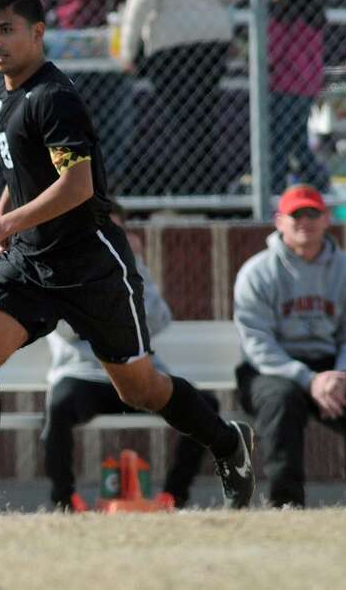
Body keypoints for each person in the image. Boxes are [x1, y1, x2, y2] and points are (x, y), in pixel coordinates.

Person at [0, 0, 254, 514]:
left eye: (7, 30)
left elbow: (77, 186)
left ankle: (227, 443)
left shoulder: (56, 98)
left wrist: (0, 224)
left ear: (38, 33)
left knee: (140, 390)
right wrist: (3, 220)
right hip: (29, 263)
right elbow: (24, 172)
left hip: (90, 264)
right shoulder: (2, 96)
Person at [43, 200, 218, 511]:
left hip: (139, 373)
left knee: (205, 404)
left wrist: (133, 263)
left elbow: (160, 319)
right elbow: (67, 327)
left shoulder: (131, 265)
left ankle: (173, 498)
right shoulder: (62, 265)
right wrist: (118, 317)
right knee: (58, 408)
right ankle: (64, 501)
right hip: (85, 376)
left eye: (113, 229)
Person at [233, 184, 346, 508]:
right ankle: (286, 506)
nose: (305, 221)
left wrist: (341, 374)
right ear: (279, 221)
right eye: (296, 215)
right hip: (271, 368)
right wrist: (308, 379)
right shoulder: (257, 273)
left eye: (313, 213)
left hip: (332, 365)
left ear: (327, 219)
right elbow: (258, 345)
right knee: (282, 401)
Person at [117, 0, 234, 195]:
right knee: (203, 119)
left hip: (170, 44)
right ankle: (206, 190)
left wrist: (127, 49)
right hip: (213, 41)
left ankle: (190, 191)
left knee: (179, 120)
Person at [36, 0, 134, 185]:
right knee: (74, 116)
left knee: (117, 121)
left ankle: (110, 181)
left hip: (114, 42)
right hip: (75, 46)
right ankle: (71, 181)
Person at [268, 0, 329, 193]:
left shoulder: (282, 17)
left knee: (280, 144)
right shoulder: (314, 15)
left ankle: (274, 189)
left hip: (284, 88)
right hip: (307, 88)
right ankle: (319, 183)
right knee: (296, 141)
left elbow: (273, 51)